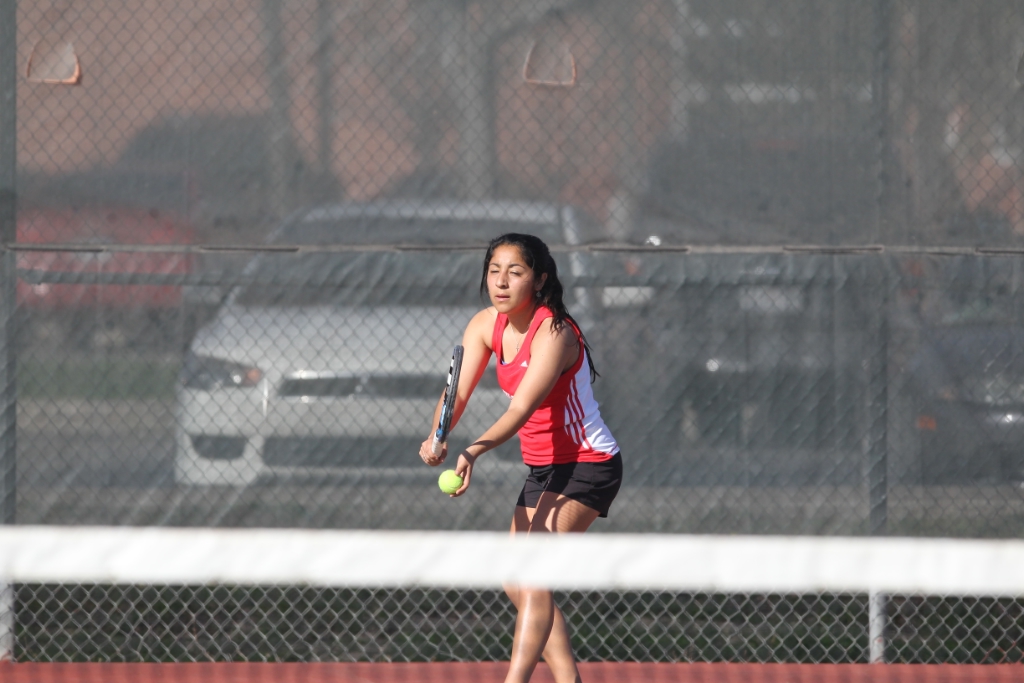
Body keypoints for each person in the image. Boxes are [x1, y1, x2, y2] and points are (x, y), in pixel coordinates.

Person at [419, 233, 622, 683]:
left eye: (516, 272)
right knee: (518, 579)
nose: (502, 282)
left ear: (540, 279)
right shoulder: (483, 326)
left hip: (590, 464)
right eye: (495, 271)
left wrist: (473, 450)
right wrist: (438, 435)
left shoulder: (555, 332)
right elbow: (457, 395)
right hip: (544, 469)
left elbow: (520, 409)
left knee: (532, 574)